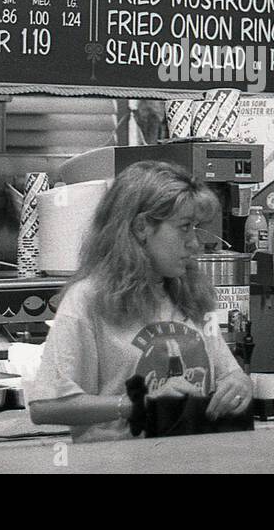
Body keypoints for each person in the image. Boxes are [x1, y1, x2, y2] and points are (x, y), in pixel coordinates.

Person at [26, 160, 253, 441]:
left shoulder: (188, 294)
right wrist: (134, 405)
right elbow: (44, 407)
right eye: (184, 227)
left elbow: (230, 374)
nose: (194, 243)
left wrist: (238, 384)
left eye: (196, 228)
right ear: (141, 227)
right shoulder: (87, 300)